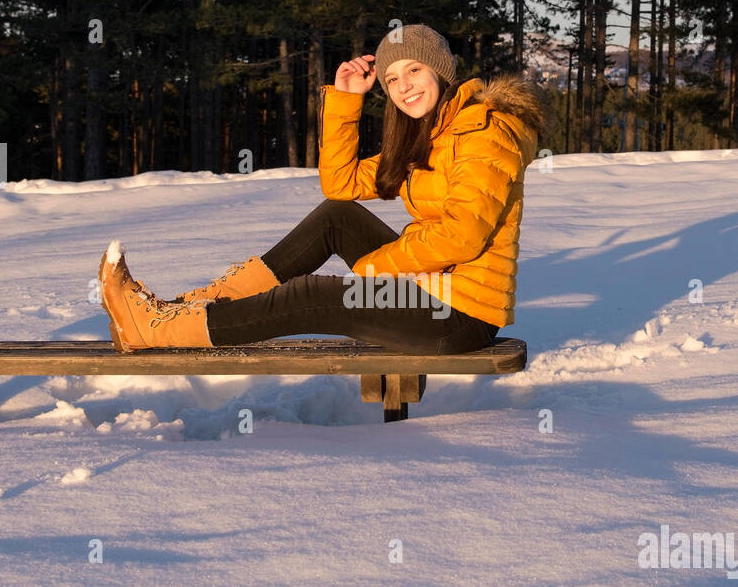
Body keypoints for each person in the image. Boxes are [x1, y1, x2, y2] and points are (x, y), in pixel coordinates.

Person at [99, 23, 544, 356]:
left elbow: (463, 235)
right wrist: (348, 98)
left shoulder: (484, 132)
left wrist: (375, 270)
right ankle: (183, 310)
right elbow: (341, 183)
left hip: (458, 316)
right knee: (338, 216)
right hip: (432, 288)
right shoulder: (428, 135)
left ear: (441, 70)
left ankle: (155, 329)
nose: (404, 85)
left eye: (414, 69)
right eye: (391, 79)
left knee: (314, 294)